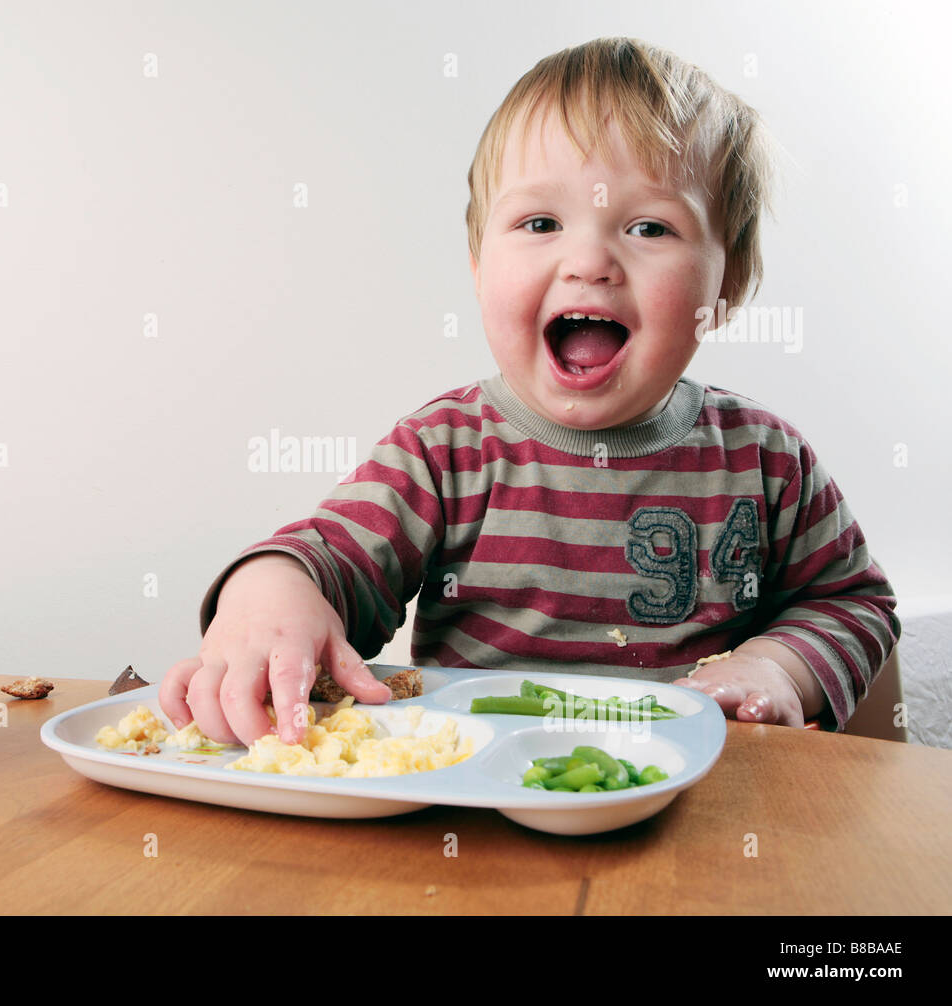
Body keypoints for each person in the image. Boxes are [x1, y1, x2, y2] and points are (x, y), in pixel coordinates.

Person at [159, 36, 900, 748]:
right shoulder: (443, 451)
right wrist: (268, 597)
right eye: (540, 221)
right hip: (475, 810)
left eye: (649, 227)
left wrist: (779, 666)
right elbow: (329, 561)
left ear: (726, 285)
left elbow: (854, 601)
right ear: (479, 264)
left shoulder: (766, 460)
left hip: (697, 810)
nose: (588, 260)